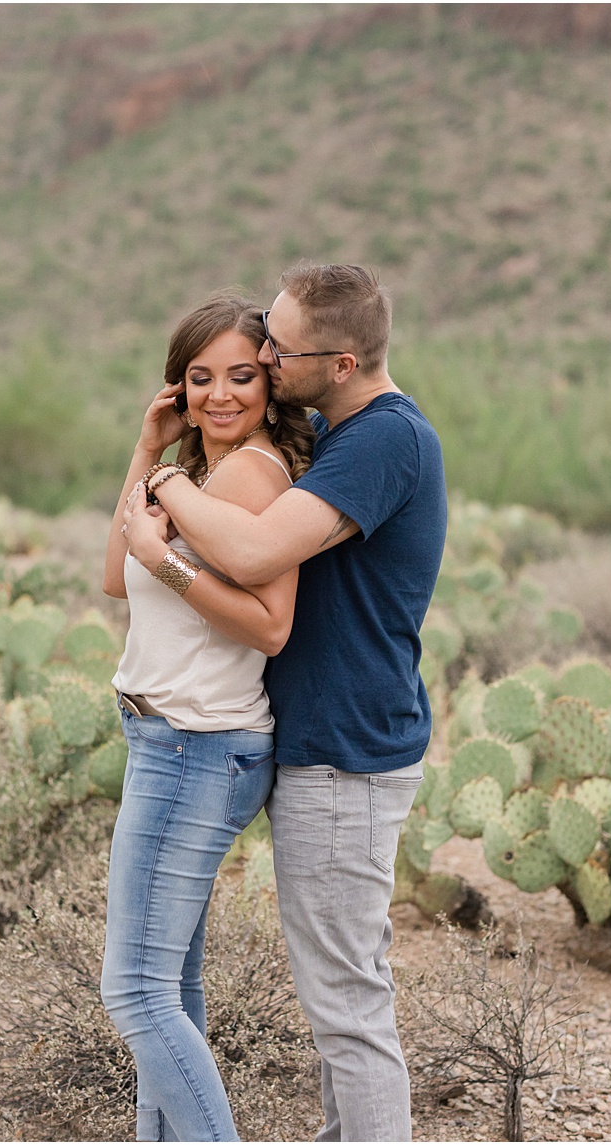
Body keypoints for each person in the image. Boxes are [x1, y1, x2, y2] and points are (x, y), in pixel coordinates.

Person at [149, 264, 448, 1142]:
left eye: (281, 347)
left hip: (347, 754)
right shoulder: (334, 428)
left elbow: (252, 552)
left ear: (344, 361)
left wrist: (163, 490)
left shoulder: (387, 441)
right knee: (338, 997)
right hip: (327, 745)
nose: (267, 356)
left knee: (349, 1006)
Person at [100, 291, 315, 1142]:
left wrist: (166, 554)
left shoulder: (253, 474)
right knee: (169, 986)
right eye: (199, 377)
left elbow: (269, 622)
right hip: (172, 737)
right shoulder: (192, 475)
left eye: (239, 376)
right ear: (176, 386)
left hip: (195, 742)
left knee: (136, 991)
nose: (220, 394)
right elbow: (118, 575)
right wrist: (149, 449)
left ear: (269, 385)